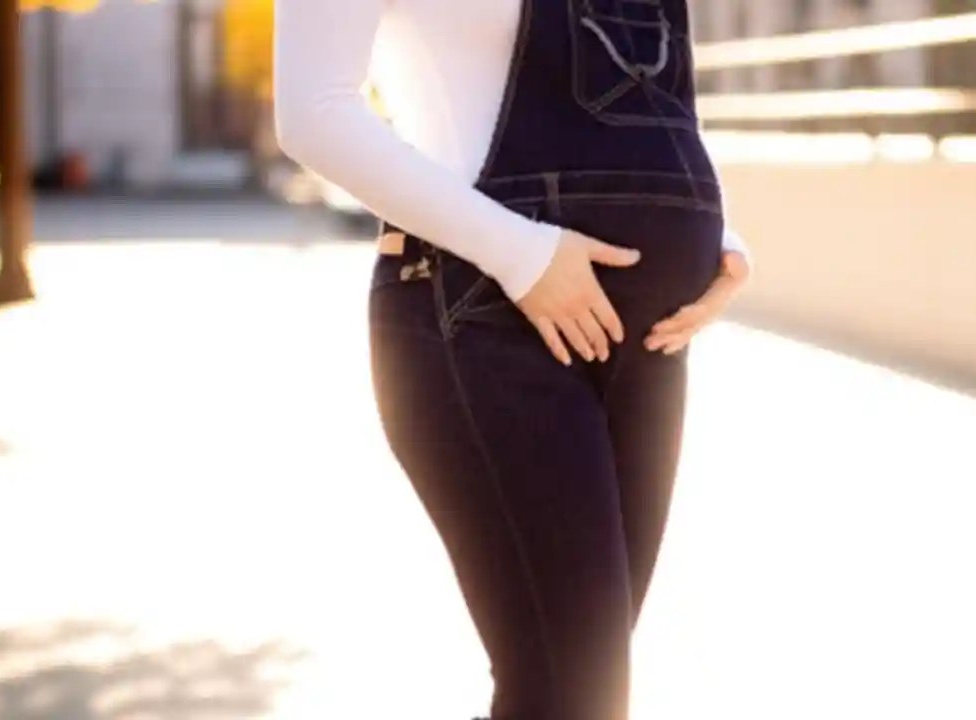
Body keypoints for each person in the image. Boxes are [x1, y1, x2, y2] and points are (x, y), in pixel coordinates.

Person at [273, 1, 751, 717]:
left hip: (650, 338)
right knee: (568, 691)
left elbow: (641, 86)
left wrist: (718, 233)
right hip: (478, 311)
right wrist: (521, 252)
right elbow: (312, 112)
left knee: (581, 693)